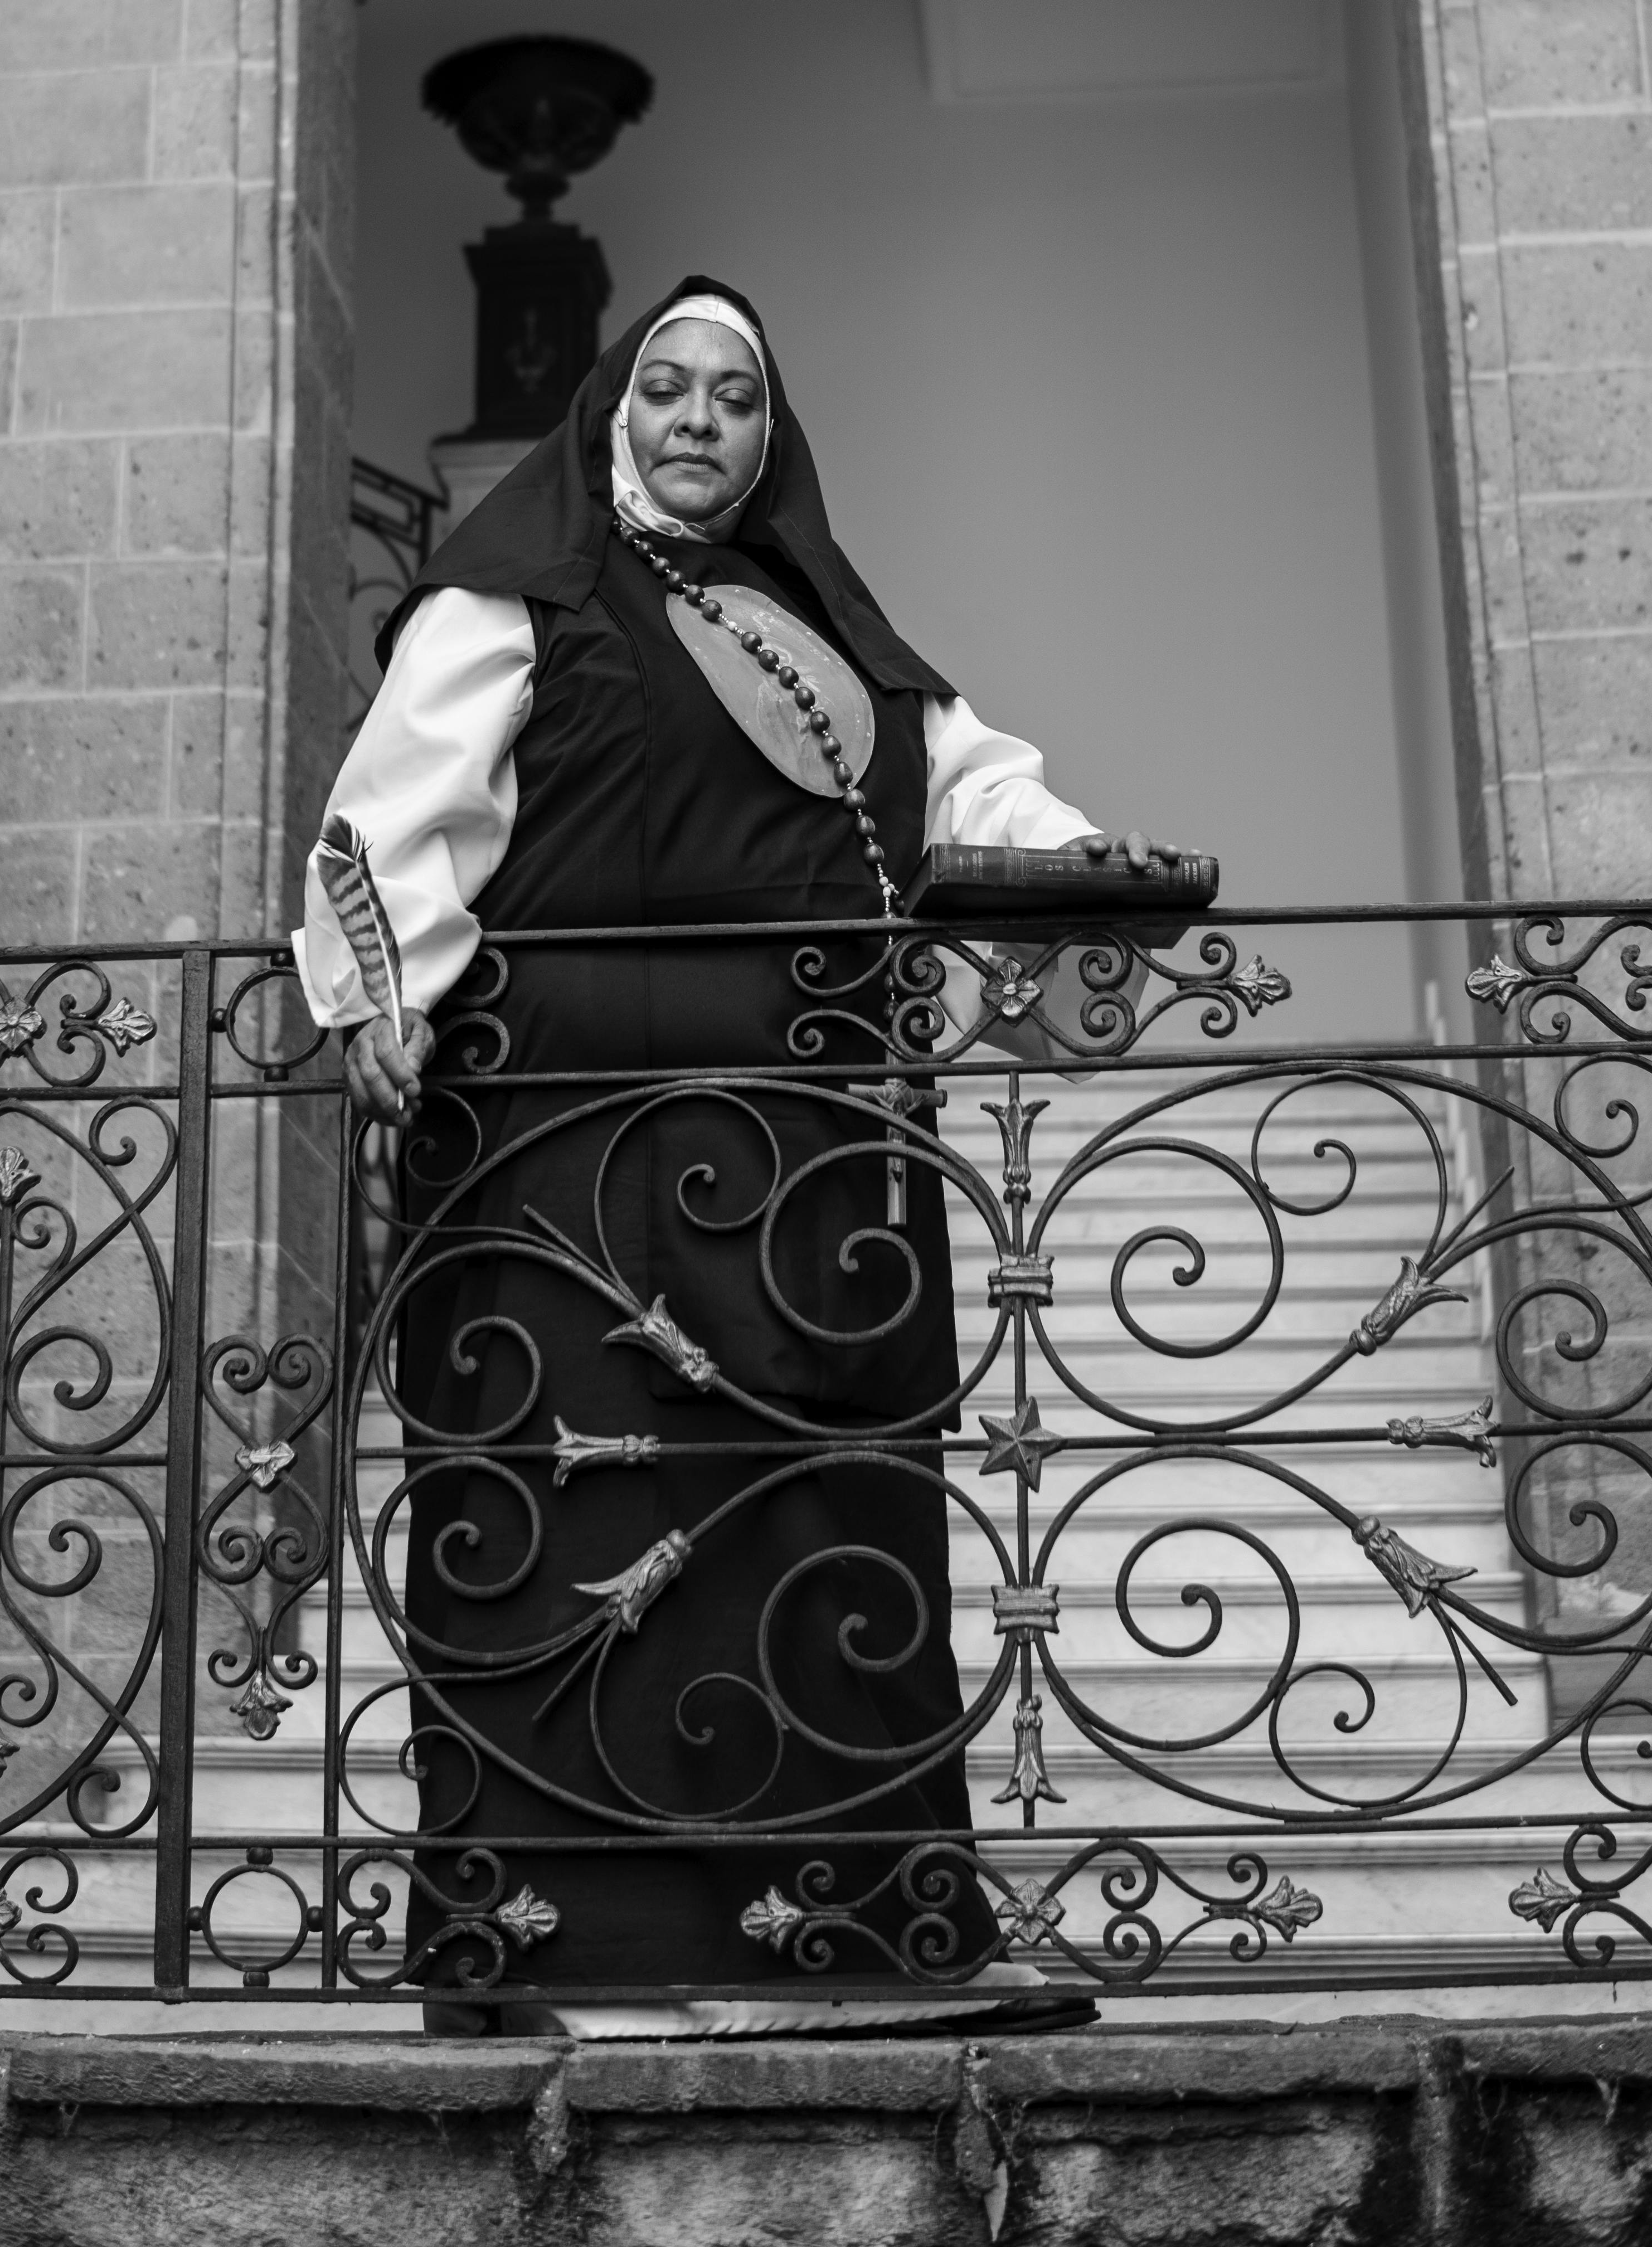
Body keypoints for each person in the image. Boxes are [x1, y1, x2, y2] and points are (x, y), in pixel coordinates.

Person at [297, 278, 1177, 2034]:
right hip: (579, 1154)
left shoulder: (829, 626)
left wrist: (1095, 865)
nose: (701, 417)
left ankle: (866, 1944)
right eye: (669, 389)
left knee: (832, 1528)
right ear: (614, 416)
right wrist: (376, 993)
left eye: (737, 397)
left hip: (822, 1164)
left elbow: (974, 786)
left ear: (775, 437)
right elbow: (390, 819)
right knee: (601, 1519)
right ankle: (571, 1957)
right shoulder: (520, 597)